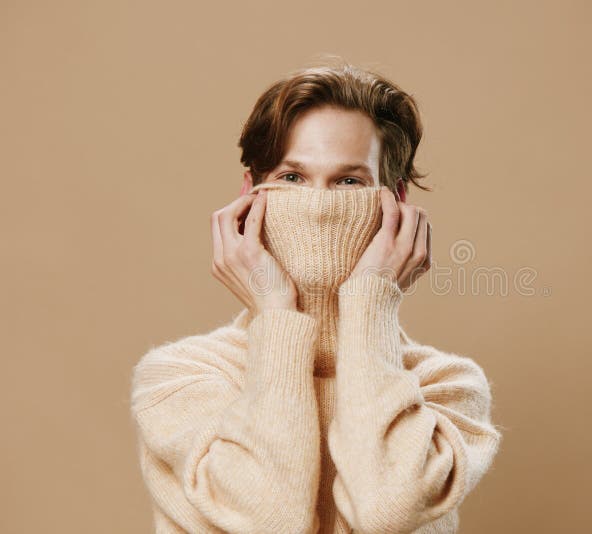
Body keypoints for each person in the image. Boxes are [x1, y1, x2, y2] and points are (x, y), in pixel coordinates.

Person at [129, 60, 502, 534]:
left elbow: (388, 511)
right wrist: (276, 313)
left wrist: (371, 300)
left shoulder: (445, 386)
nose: (320, 205)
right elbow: (268, 521)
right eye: (291, 178)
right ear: (250, 193)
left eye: (350, 182)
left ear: (397, 203)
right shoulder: (181, 378)